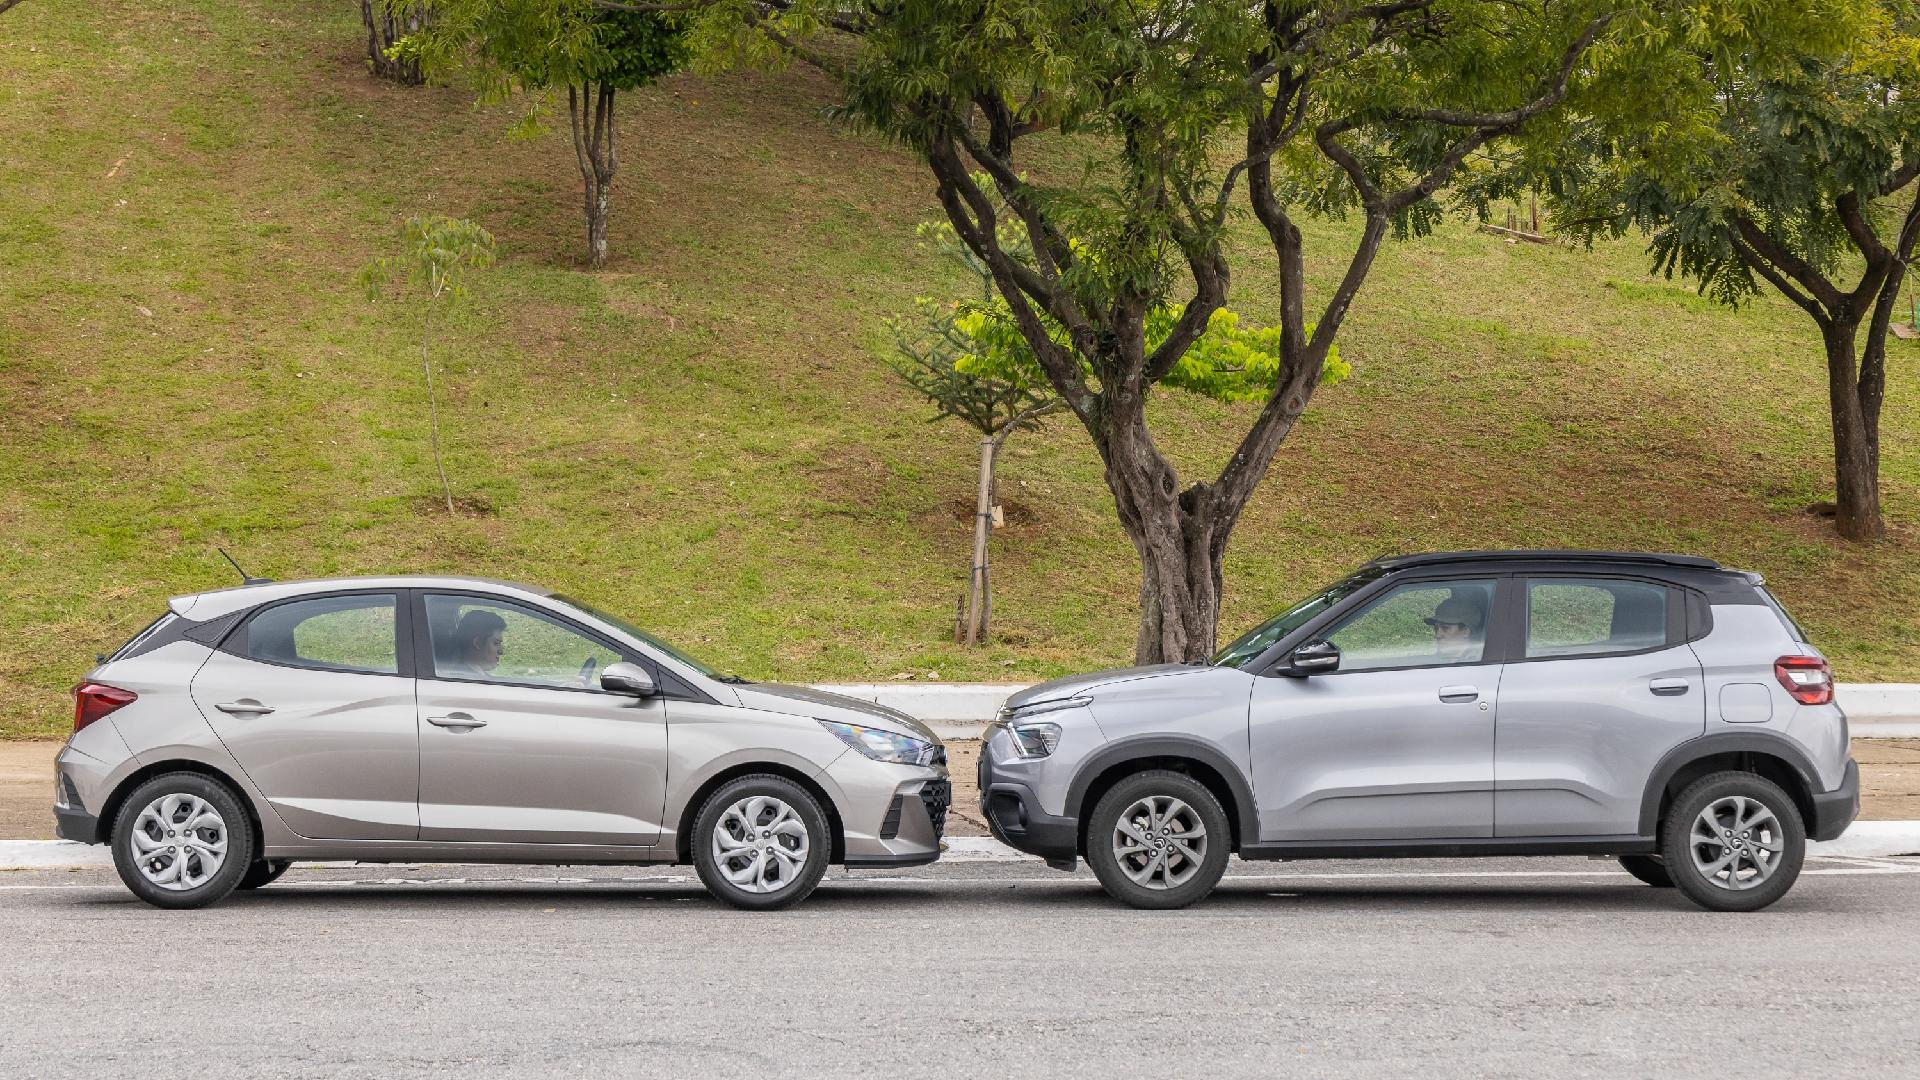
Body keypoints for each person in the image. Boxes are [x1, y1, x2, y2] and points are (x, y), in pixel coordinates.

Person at [441, 609, 507, 679]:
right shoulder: (466, 680)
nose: (501, 652)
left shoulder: (469, 675)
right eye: (496, 643)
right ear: (477, 643)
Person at [1424, 593, 1486, 662]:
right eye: (1436, 628)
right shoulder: (1441, 659)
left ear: (1466, 631)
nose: (1437, 635)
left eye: (1445, 628)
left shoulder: (1476, 663)